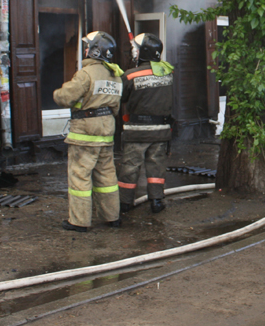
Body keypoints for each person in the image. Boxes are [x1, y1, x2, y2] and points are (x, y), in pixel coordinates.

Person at [52, 31, 124, 232]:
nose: (85, 50)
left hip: (85, 131)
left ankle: (79, 221)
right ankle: (112, 216)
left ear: (95, 50)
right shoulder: (116, 76)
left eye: (87, 47)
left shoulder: (86, 73)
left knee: (80, 175)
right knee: (106, 175)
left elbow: (65, 97)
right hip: (107, 130)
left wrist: (56, 94)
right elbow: (116, 107)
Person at [119, 33, 175, 214]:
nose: (133, 53)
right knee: (156, 167)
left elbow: (122, 98)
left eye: (135, 50)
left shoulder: (130, 76)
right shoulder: (168, 73)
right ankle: (157, 201)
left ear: (143, 52)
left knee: (130, 167)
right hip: (161, 131)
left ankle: (125, 203)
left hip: (137, 131)